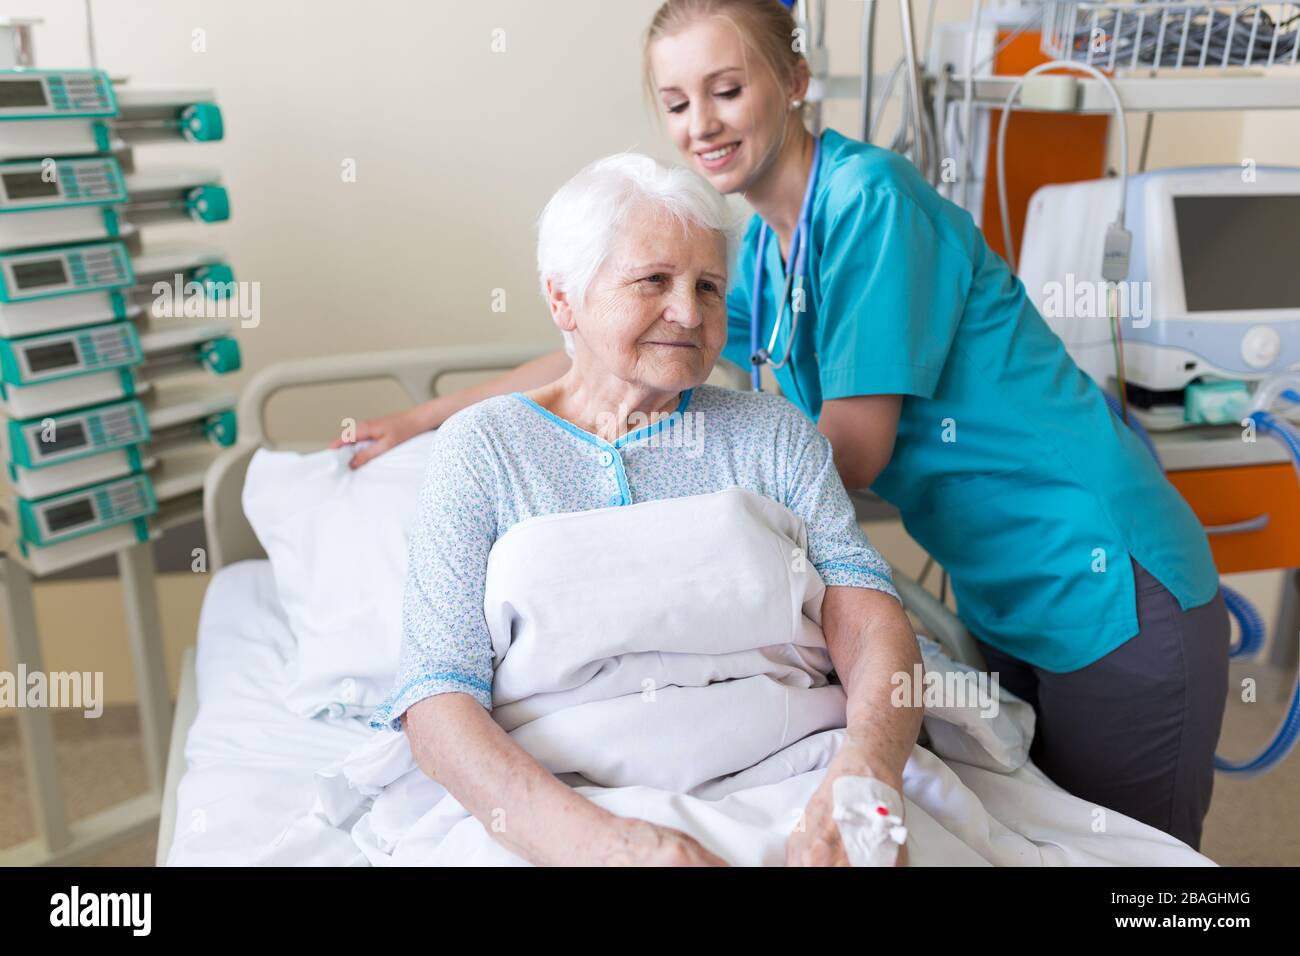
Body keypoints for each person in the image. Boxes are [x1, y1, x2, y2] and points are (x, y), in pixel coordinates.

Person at [337, 0, 1228, 850]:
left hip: (1102, 561)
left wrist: (682, 512)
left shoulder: (869, 203)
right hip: (998, 583)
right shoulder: (752, 247)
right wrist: (429, 417)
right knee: (1042, 814)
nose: (702, 124)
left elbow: (850, 449)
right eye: (677, 102)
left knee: (1132, 854)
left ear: (795, 78)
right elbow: (611, 355)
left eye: (727, 90)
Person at [370, 152, 920, 866]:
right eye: (653, 281)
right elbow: (438, 699)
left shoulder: (774, 434)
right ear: (563, 299)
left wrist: (866, 773)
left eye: (709, 287)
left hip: (799, 772)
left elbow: (868, 612)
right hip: (557, 804)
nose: (689, 312)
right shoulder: (484, 449)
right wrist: (607, 847)